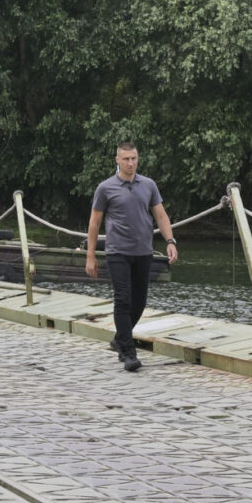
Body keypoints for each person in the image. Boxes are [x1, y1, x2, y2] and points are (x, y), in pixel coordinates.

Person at [83, 140, 177, 371]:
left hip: (143, 251)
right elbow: (94, 223)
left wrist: (171, 241)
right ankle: (128, 352)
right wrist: (91, 256)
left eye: (134, 158)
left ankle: (119, 338)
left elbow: (161, 216)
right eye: (126, 159)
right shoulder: (106, 188)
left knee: (139, 301)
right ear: (117, 160)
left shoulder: (149, 185)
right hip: (117, 252)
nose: (130, 163)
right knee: (123, 299)